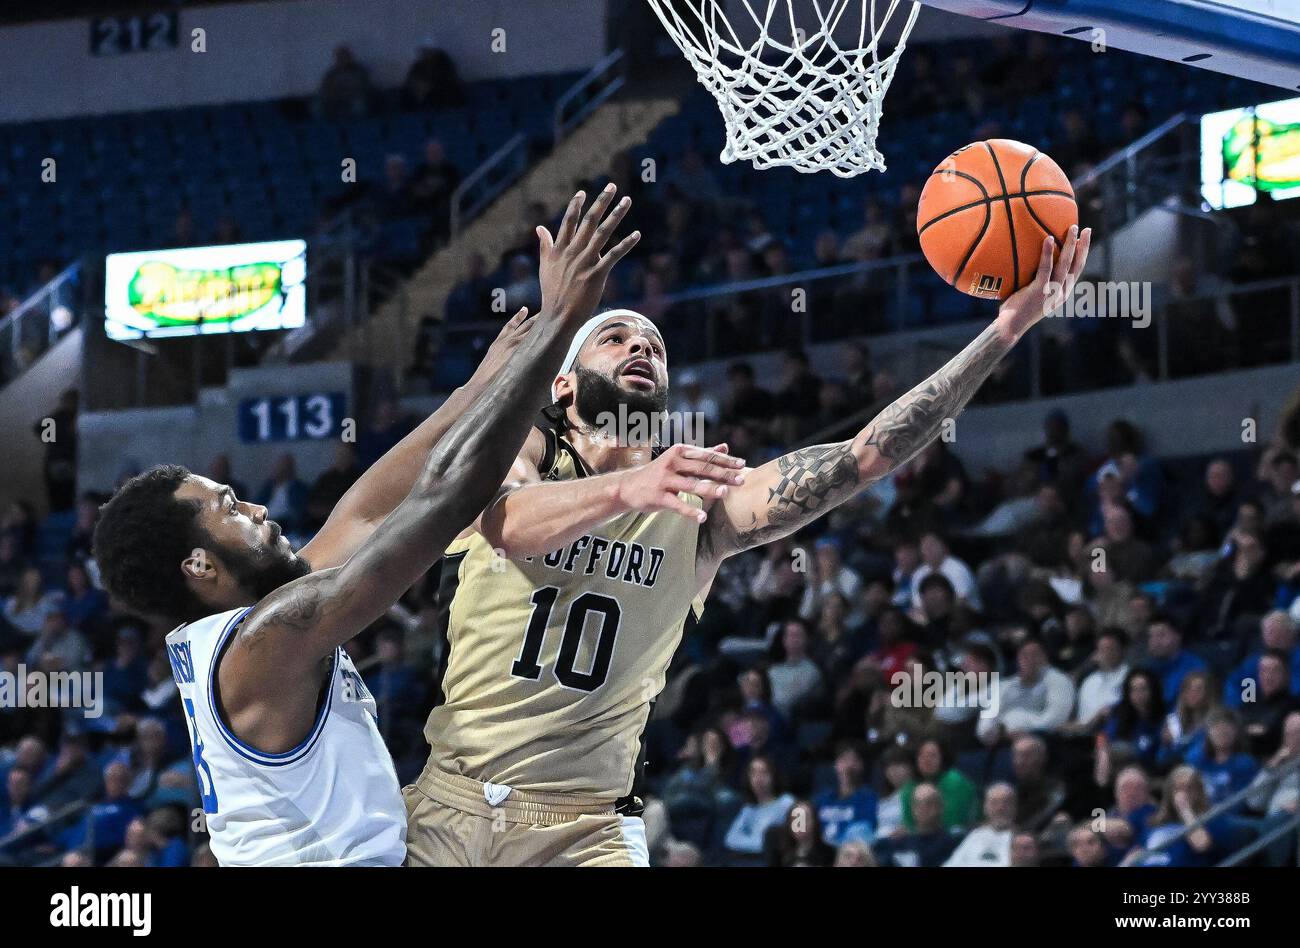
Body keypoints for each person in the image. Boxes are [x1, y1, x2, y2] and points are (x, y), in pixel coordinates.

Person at [403, 225, 1092, 866]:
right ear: (562, 382)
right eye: (615, 337)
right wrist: (628, 488)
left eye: (655, 348)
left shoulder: (696, 508)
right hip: (450, 803)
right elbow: (508, 524)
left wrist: (1004, 331)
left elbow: (864, 458)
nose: (641, 348)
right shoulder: (517, 452)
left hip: (586, 826)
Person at [89, 190, 641, 866]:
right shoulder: (267, 640)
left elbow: (369, 510)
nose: (259, 510)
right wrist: (562, 320)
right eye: (231, 507)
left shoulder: (250, 630)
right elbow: (440, 501)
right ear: (200, 566)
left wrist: (475, 386)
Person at [943, 782, 1017, 866]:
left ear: (1014, 806)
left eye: (1006, 803)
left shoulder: (1020, 839)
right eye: (994, 803)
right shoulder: (975, 835)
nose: (1000, 808)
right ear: (985, 807)